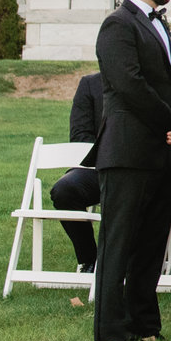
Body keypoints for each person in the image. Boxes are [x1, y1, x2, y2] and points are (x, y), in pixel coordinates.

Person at [91, 0, 171, 341]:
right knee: (119, 242)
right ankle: (110, 332)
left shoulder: (163, 26)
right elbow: (128, 84)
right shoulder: (117, 24)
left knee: (151, 243)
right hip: (127, 152)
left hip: (162, 153)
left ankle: (143, 322)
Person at [51, 71, 106, 271]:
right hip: (97, 166)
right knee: (65, 190)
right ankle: (89, 260)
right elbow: (80, 134)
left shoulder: (156, 81)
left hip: (140, 167)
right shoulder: (91, 84)